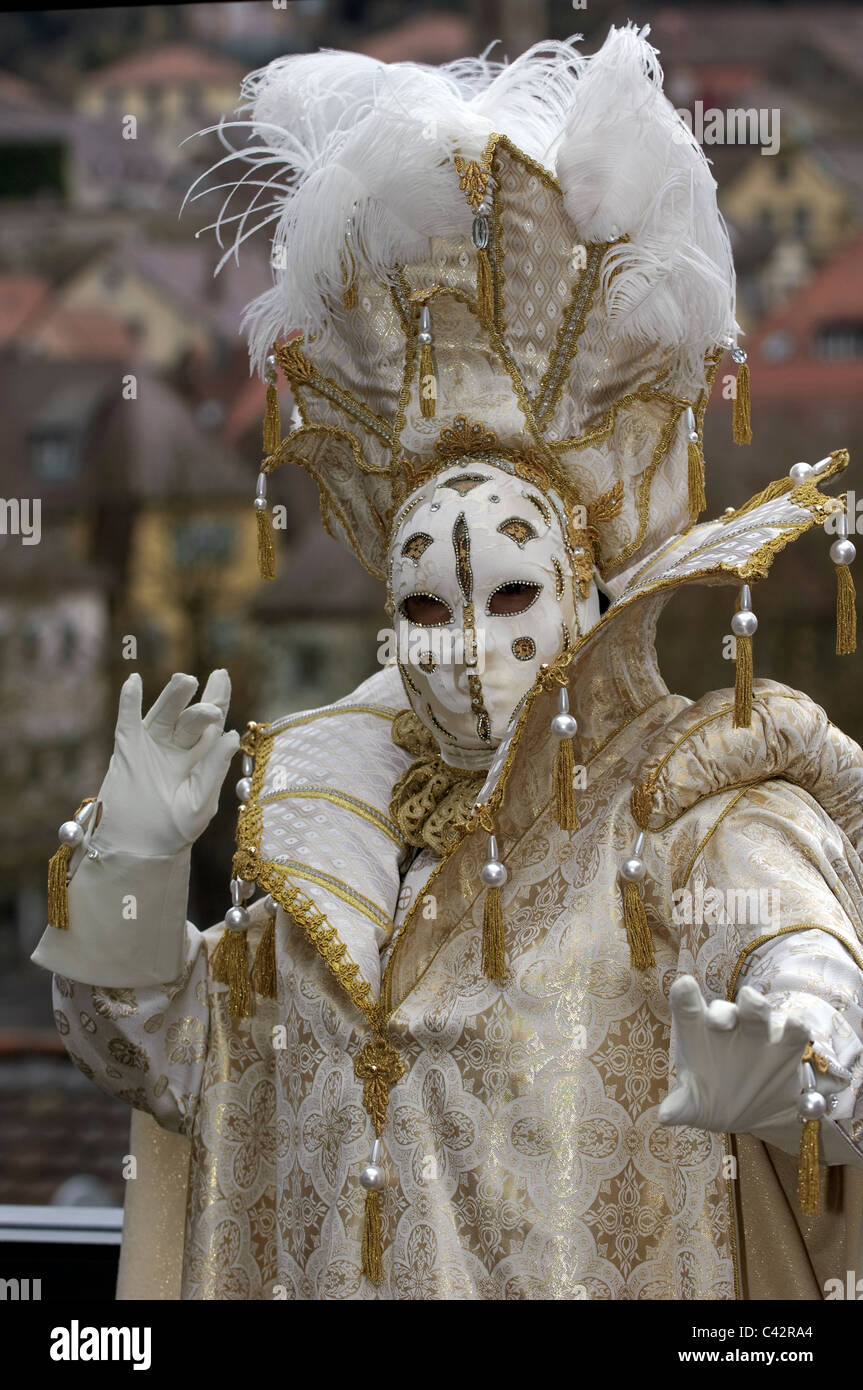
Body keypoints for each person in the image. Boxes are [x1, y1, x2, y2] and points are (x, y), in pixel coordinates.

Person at [32, 24, 863, 1300]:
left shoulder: (689, 804)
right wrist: (132, 873)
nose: (466, 646)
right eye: (424, 604)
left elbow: (798, 963)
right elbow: (180, 1059)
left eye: (513, 590)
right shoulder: (331, 830)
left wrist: (803, 1051)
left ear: (586, 592)